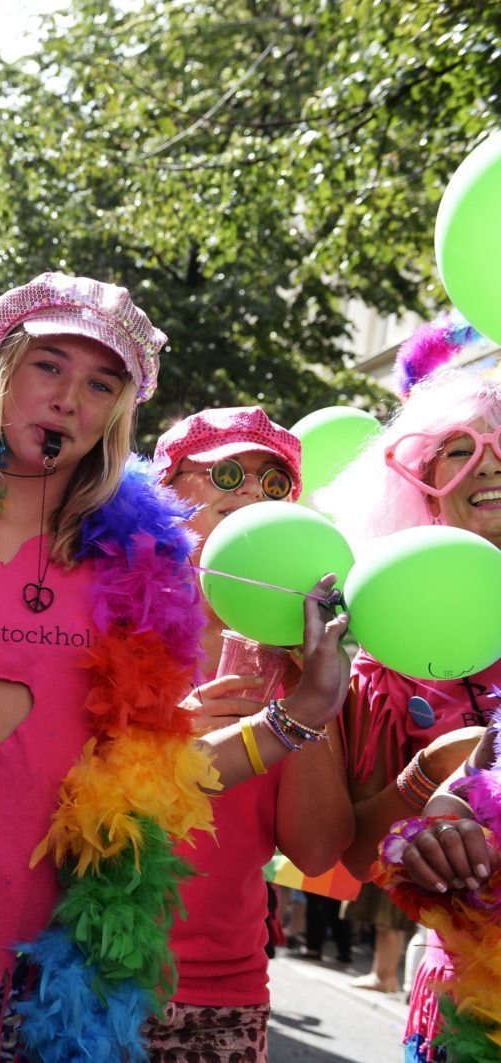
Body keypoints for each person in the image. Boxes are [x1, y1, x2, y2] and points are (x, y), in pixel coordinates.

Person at [0, 275, 350, 1061]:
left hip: (55, 981)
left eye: (100, 383)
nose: (68, 399)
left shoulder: (141, 572)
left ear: (118, 413)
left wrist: (297, 713)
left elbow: (147, 787)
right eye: (48, 366)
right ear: (1, 371)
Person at [148, 407, 354, 1061]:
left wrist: (307, 699)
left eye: (274, 486)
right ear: (166, 488)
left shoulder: (300, 655)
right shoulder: (106, 612)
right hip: (85, 970)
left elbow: (317, 851)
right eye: (228, 472)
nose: (249, 495)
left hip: (223, 991)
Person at [317, 367, 501, 1060]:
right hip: (471, 998)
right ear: (422, 480)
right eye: (462, 448)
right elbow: (359, 853)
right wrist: (431, 777)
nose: (490, 464)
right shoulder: (391, 649)